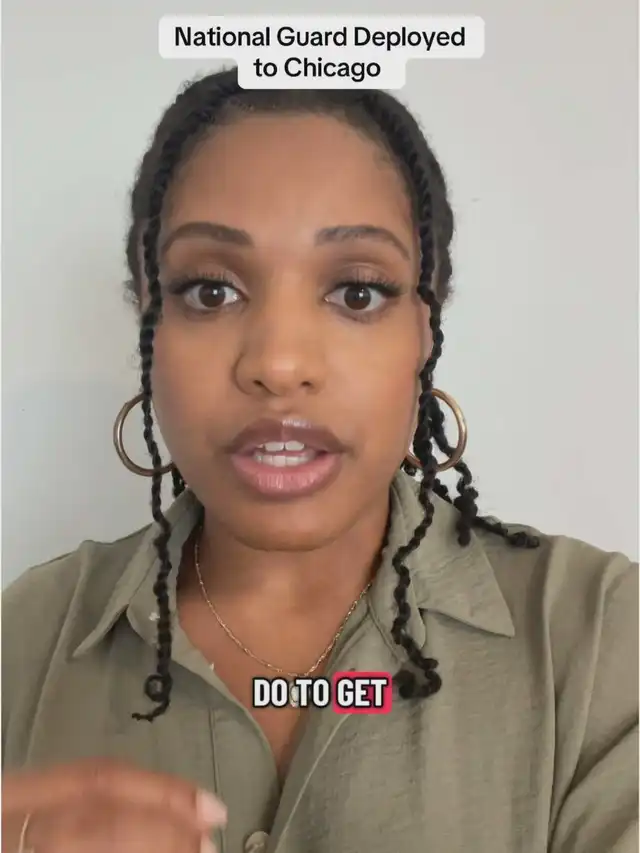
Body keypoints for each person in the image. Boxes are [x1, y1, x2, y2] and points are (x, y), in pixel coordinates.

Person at [2, 67, 637, 853]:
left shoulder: (603, 637)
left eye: (357, 292)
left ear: (427, 327)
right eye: (209, 291)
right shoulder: (24, 638)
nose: (279, 363)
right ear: (148, 317)